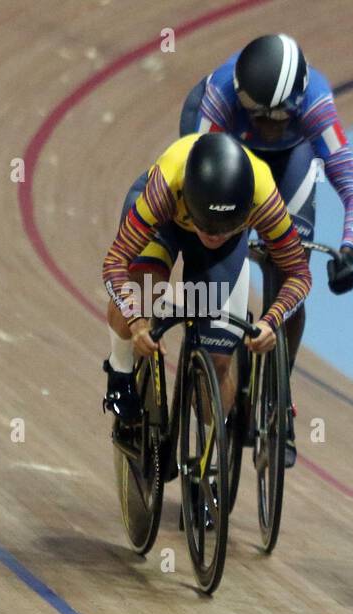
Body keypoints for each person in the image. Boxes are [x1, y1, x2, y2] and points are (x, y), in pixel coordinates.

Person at [181, 33, 353, 465]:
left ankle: (278, 397)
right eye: (258, 115)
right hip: (226, 149)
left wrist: (347, 249)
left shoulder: (316, 106)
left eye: (278, 116)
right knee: (211, 250)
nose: (267, 124)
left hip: (291, 161)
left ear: (297, 105)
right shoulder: (219, 97)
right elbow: (188, 184)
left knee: (291, 268)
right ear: (242, 99)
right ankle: (207, 357)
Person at [101, 132, 310, 447]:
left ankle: (209, 456)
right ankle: (120, 371)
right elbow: (116, 262)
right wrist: (137, 320)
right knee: (143, 295)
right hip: (165, 225)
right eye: (208, 226)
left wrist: (270, 321)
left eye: (224, 227)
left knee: (218, 361)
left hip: (222, 251)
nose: (213, 235)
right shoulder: (164, 189)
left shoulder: (264, 199)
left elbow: (298, 274)